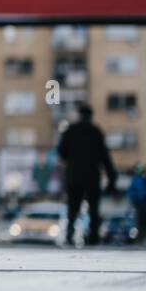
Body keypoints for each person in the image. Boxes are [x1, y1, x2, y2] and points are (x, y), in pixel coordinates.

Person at [57, 103, 118, 246]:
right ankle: (93, 237)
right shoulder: (95, 132)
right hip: (92, 176)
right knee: (93, 209)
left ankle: (70, 235)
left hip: (74, 176)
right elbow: (105, 156)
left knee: (73, 208)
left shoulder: (70, 130)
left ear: (79, 115)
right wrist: (111, 177)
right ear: (91, 116)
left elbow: (61, 152)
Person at [126, 163, 146, 243]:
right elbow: (132, 193)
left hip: (144, 205)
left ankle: (143, 238)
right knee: (141, 223)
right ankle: (141, 238)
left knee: (144, 222)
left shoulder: (144, 181)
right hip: (140, 205)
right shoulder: (139, 181)